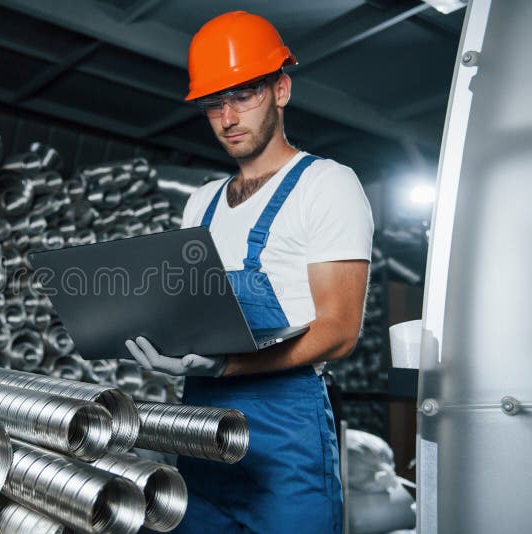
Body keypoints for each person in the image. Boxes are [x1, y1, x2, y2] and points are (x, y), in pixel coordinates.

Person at [125, 10, 374, 534]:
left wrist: (227, 368)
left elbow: (338, 331)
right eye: (214, 103)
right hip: (200, 432)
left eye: (244, 95)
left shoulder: (325, 184)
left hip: (285, 439)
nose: (228, 117)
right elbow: (191, 315)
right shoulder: (201, 203)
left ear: (281, 89)